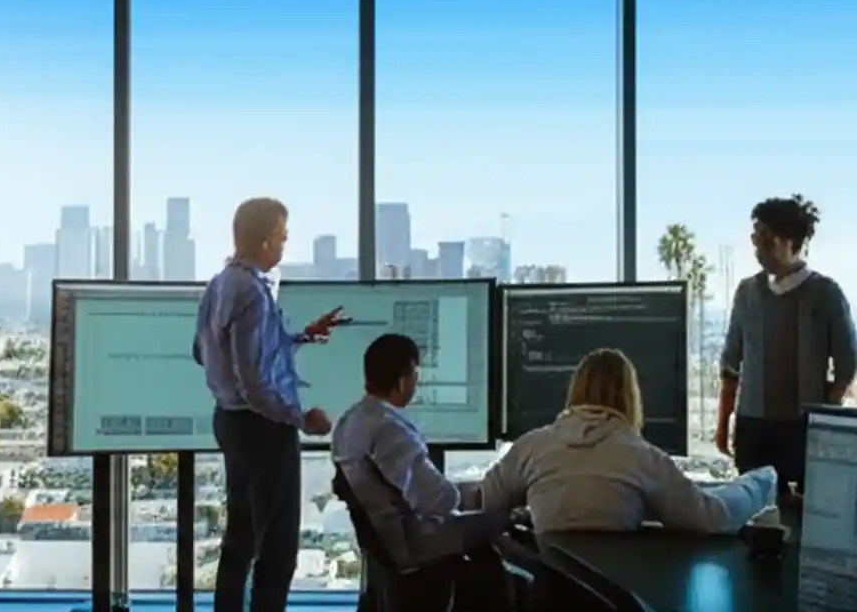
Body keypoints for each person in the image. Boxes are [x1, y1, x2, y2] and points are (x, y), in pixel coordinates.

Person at [192, 196, 346, 612]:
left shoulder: (219, 285)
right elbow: (255, 381)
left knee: (240, 538)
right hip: (262, 429)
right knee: (277, 548)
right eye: (281, 237)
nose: (283, 245)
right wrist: (300, 418)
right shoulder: (253, 294)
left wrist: (299, 336)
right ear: (263, 242)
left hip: (230, 421)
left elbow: (203, 351)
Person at [478, 348, 777, 535]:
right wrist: (761, 480)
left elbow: (483, 501)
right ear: (631, 398)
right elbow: (714, 518)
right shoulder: (642, 458)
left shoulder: (532, 447)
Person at [332, 334, 513, 608]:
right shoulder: (389, 429)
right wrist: (484, 494)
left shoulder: (349, 422)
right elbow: (439, 501)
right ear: (405, 380)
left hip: (388, 544)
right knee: (503, 524)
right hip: (416, 541)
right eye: (416, 375)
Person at [716, 195, 856, 503]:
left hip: (803, 428)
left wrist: (823, 415)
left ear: (792, 240)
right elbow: (730, 363)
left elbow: (846, 366)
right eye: (756, 237)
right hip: (753, 426)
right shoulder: (747, 292)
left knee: (812, 512)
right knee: (756, 510)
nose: (758, 247)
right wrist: (724, 421)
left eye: (767, 238)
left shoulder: (826, 294)